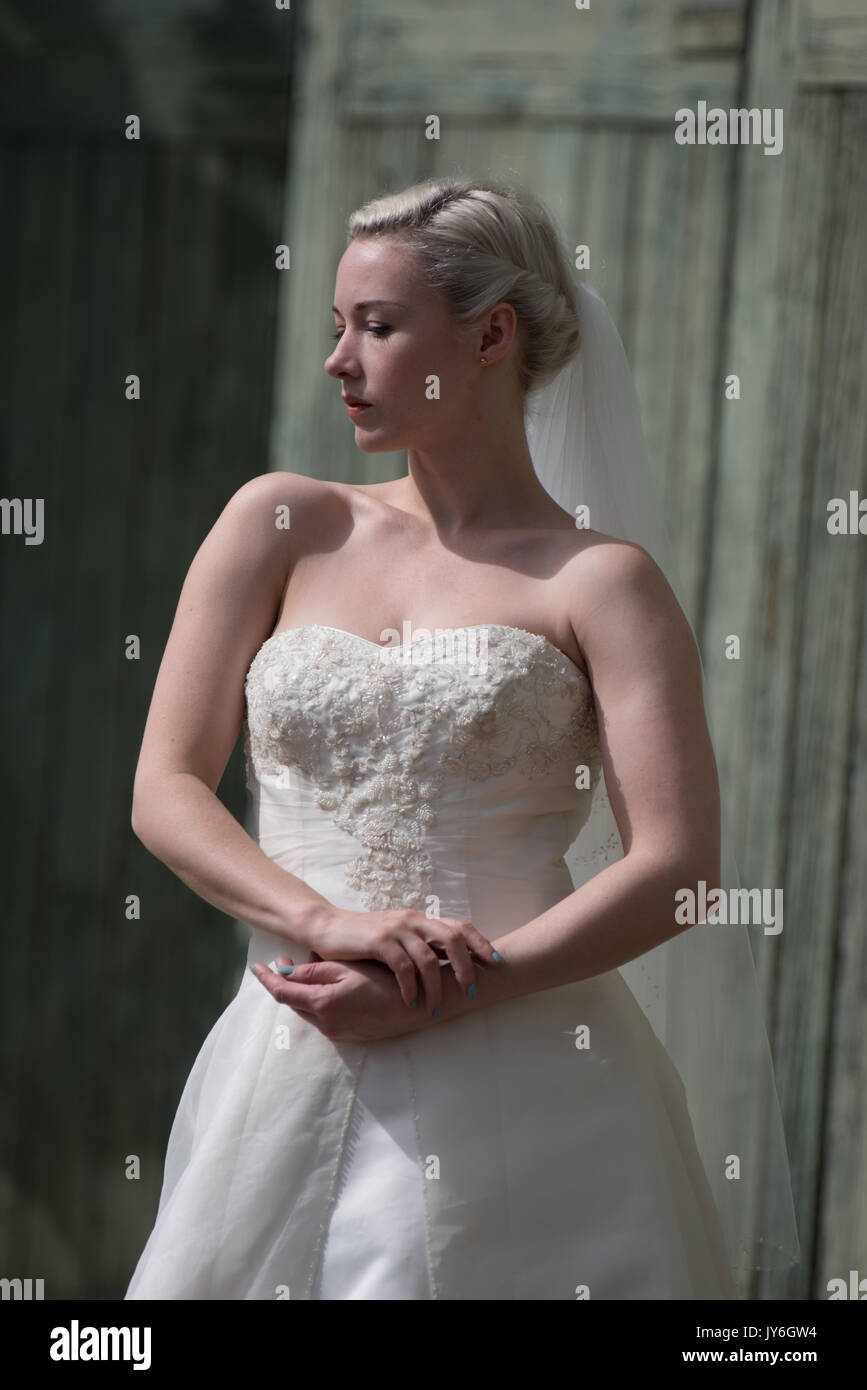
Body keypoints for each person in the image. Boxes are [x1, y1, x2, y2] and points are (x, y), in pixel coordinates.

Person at [124, 175, 798, 1300]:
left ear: (491, 335)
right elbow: (165, 787)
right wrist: (325, 920)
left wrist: (460, 988)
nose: (341, 360)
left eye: (379, 328)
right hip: (291, 1039)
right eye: (338, 325)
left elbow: (679, 870)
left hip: (536, 1085)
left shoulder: (602, 582)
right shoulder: (280, 521)